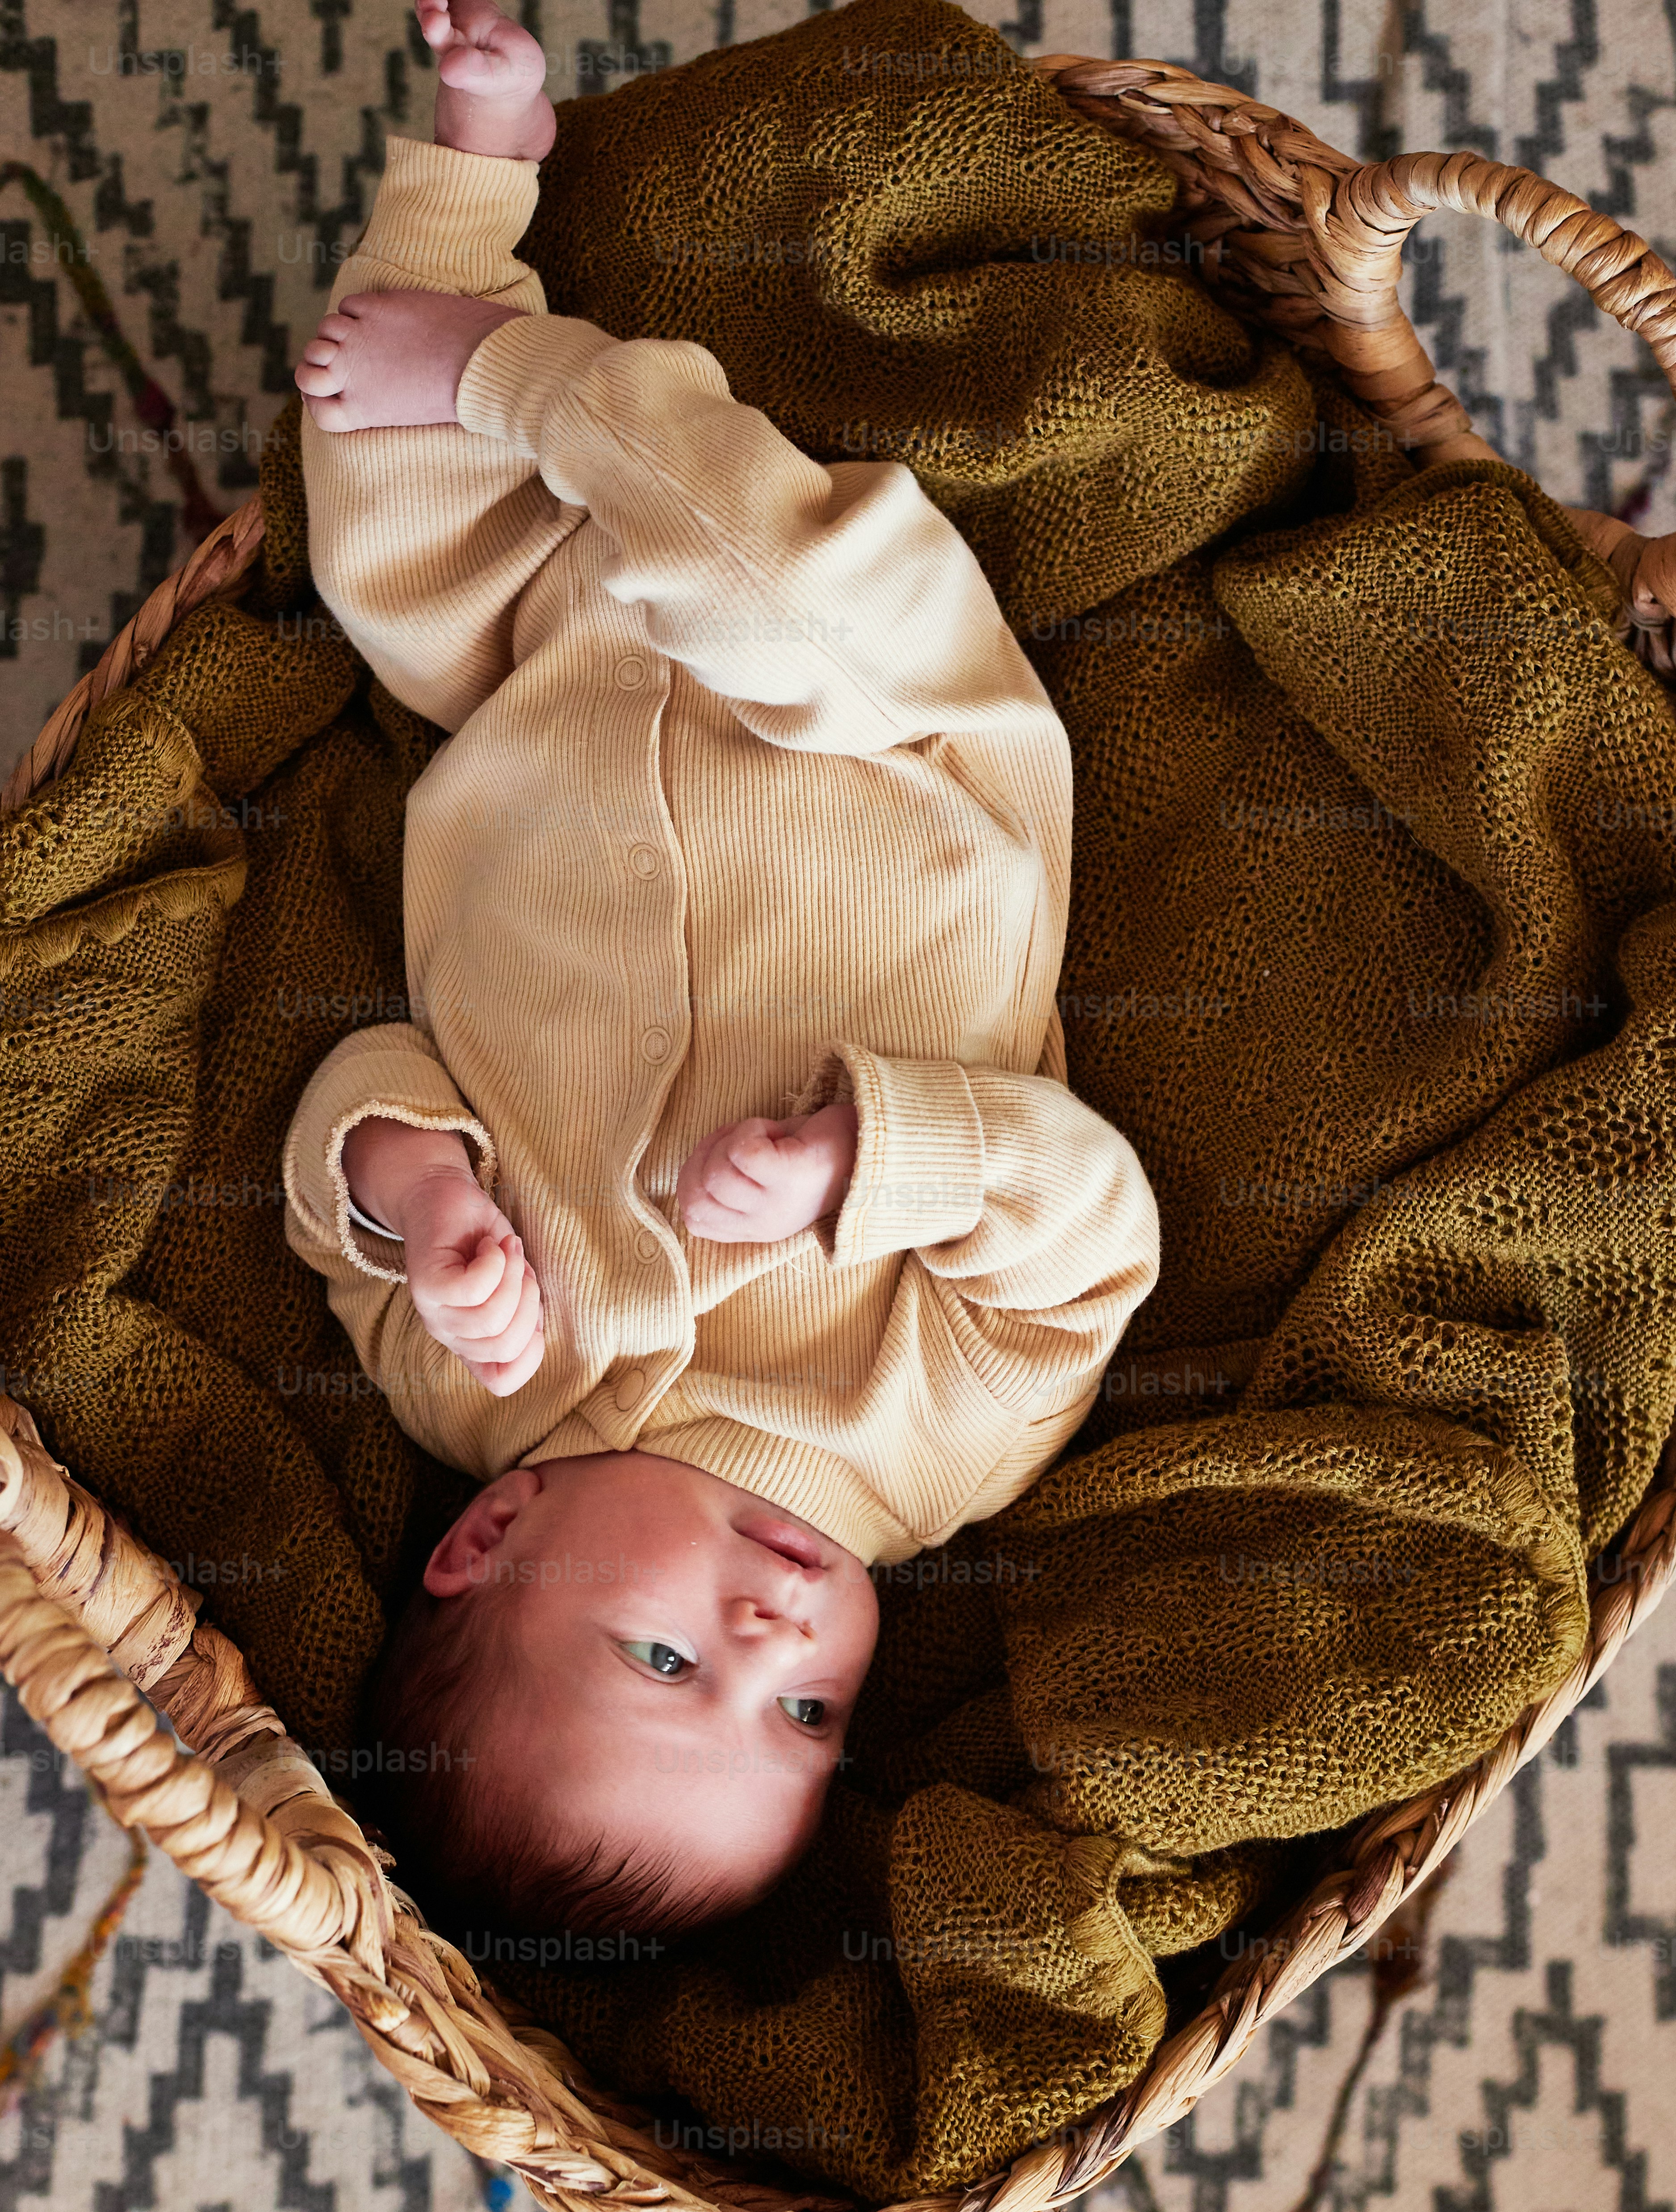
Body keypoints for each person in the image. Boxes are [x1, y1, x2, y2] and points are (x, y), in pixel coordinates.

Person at [282, 0, 1160, 1940]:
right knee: (761, 577)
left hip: (533, 691)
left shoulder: (475, 1391)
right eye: (810, 1708)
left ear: (488, 1544)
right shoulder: (923, 1452)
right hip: (892, 740)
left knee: (378, 530)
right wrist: (877, 1163)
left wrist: (416, 1196)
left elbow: (342, 1102)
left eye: (669, 1666)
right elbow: (1093, 1236)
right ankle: (532, 374)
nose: (772, 1631)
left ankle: (472, 168)